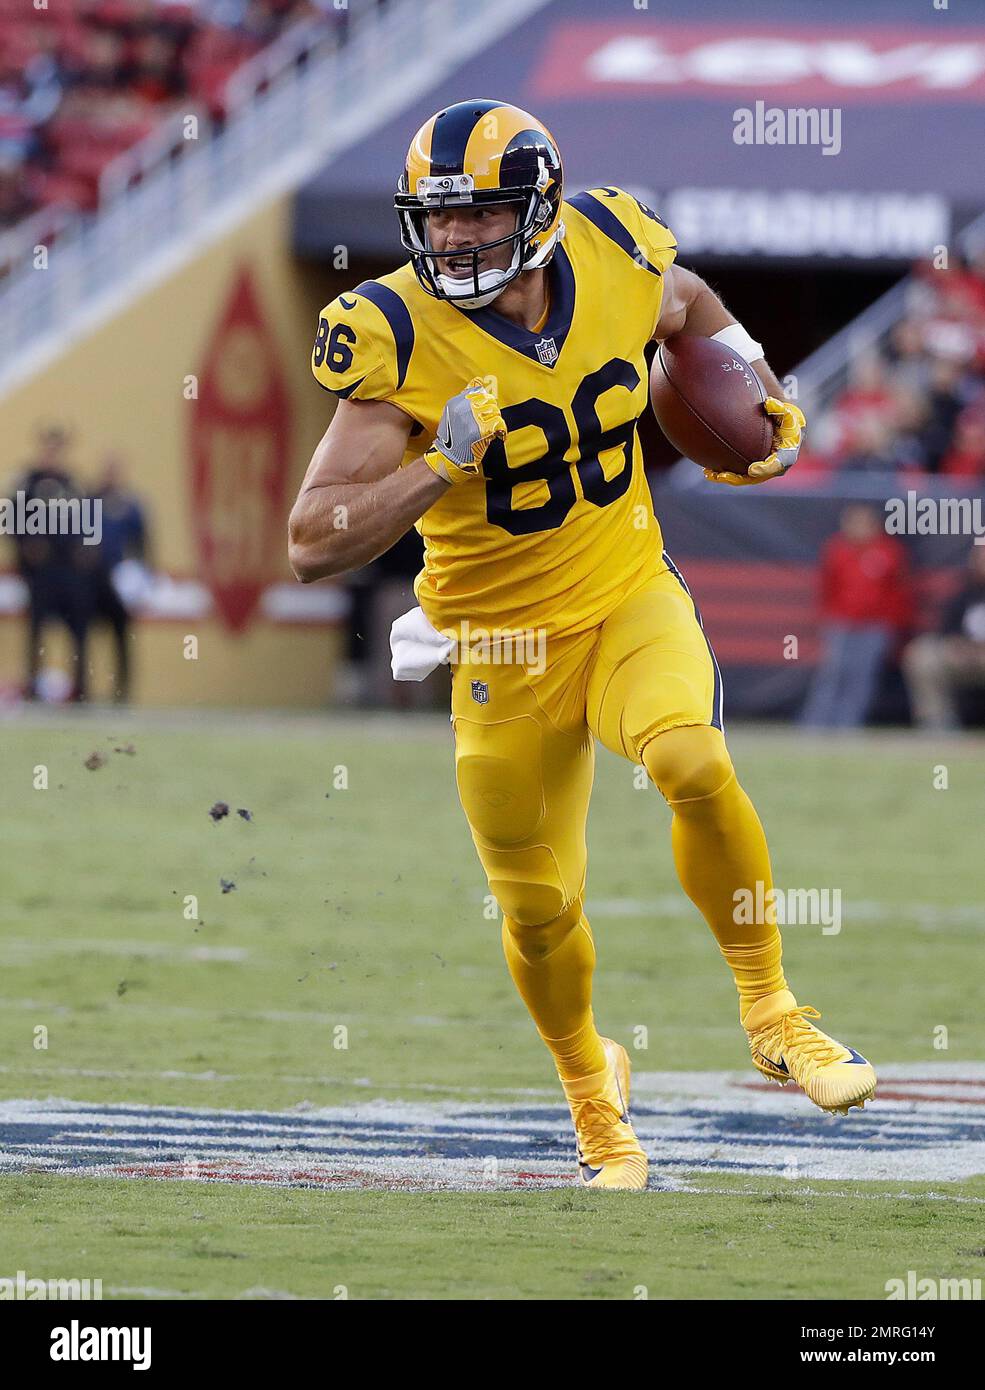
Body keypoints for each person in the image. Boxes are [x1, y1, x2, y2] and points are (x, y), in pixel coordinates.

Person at [288, 100, 876, 1190]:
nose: (455, 239)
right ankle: (594, 1107)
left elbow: (688, 304)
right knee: (538, 905)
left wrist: (752, 382)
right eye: (439, 218)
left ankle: (774, 1011)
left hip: (622, 599)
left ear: (544, 208)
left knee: (691, 758)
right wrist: (434, 468)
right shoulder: (394, 328)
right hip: (498, 646)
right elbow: (309, 543)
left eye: (481, 215)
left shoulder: (613, 242)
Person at [801, 505, 911, 729]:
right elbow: (827, 587)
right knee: (832, 673)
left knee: (862, 677)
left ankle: (847, 726)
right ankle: (815, 725)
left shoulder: (889, 551)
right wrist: (827, 619)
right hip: (840, 623)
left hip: (875, 626)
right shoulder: (837, 550)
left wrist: (892, 624)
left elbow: (899, 591)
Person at [12, 426, 90, 701]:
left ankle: (80, 687)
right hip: (40, 571)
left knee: (79, 624)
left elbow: (87, 521)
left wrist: (84, 549)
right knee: (37, 627)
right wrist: (26, 546)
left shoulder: (72, 484)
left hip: (68, 569)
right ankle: (34, 684)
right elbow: (9, 519)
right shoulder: (27, 483)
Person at [902, 545, 985, 730]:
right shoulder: (965, 591)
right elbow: (946, 629)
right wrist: (959, 645)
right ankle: (937, 724)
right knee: (922, 654)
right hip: (964, 654)